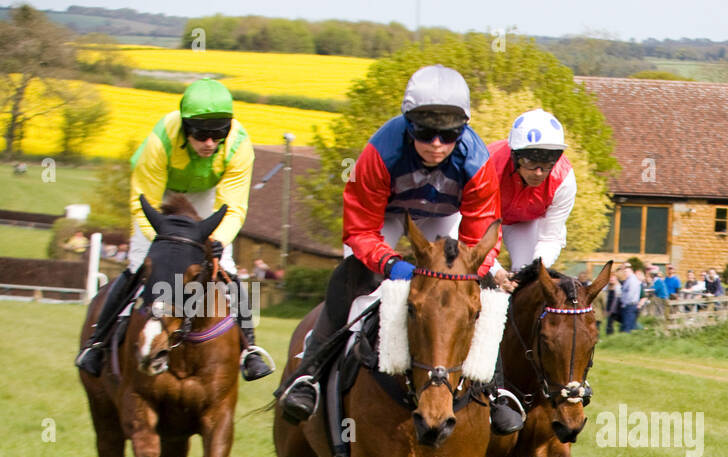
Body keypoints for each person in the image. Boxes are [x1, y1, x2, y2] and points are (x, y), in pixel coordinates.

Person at [277, 65, 524, 434]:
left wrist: (470, 271)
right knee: (352, 277)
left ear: (463, 129)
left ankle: (498, 388)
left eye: (449, 134)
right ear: (409, 125)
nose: (437, 144)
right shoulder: (380, 151)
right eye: (425, 132)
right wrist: (392, 265)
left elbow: (483, 231)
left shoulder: (477, 161)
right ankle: (308, 375)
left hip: (445, 220)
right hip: (388, 217)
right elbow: (360, 229)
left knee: (483, 288)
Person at [76, 79, 272, 381]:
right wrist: (164, 244)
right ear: (184, 127)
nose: (210, 143)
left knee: (228, 267)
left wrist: (218, 242)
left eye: (218, 133)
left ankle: (251, 351)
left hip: (206, 194)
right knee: (139, 264)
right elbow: (143, 203)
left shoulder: (239, 145)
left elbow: (233, 207)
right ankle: (97, 343)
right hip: (160, 193)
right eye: (201, 134)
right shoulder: (160, 142)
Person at [485, 108, 576, 289]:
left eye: (547, 163)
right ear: (515, 155)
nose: (539, 172)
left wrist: (531, 271)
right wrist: (495, 271)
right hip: (487, 218)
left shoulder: (564, 180)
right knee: (474, 268)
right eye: (530, 162)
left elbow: (551, 238)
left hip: (525, 221)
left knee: (526, 279)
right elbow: (471, 228)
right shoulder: (488, 164)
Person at [615, 264, 641, 332]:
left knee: (628, 326)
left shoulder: (632, 280)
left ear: (629, 271)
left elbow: (631, 294)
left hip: (630, 305)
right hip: (629, 305)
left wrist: (624, 303)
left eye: (625, 272)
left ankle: (627, 340)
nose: (624, 273)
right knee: (626, 325)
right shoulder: (629, 279)